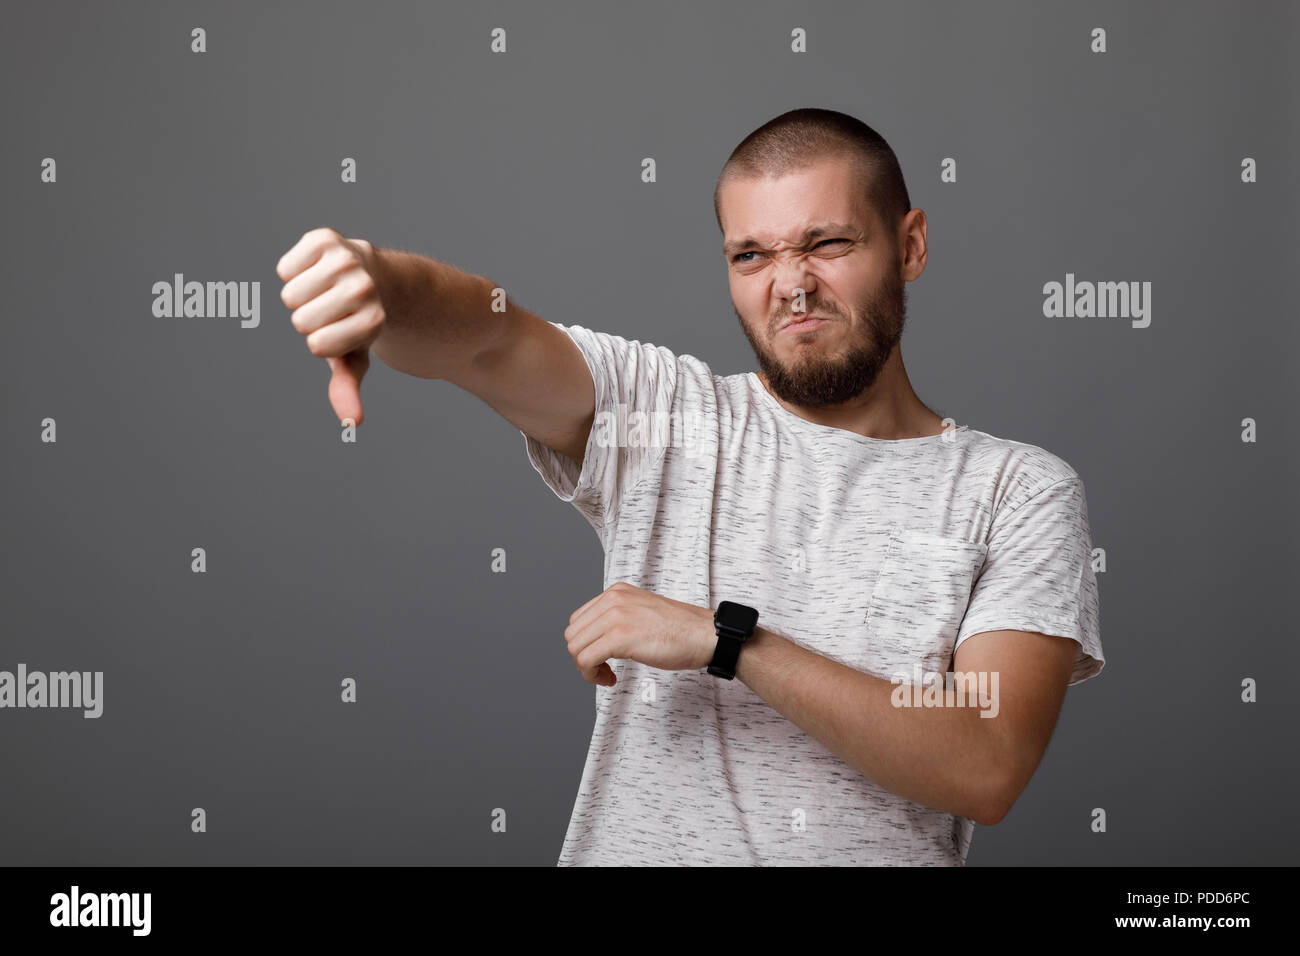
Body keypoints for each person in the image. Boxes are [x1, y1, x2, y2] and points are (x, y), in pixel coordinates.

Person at [275, 107, 1104, 866]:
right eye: (752, 254)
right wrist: (381, 285)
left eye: (829, 243)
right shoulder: (665, 416)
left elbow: (986, 764)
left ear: (911, 244)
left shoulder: (1017, 490)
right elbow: (490, 340)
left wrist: (730, 642)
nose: (792, 284)